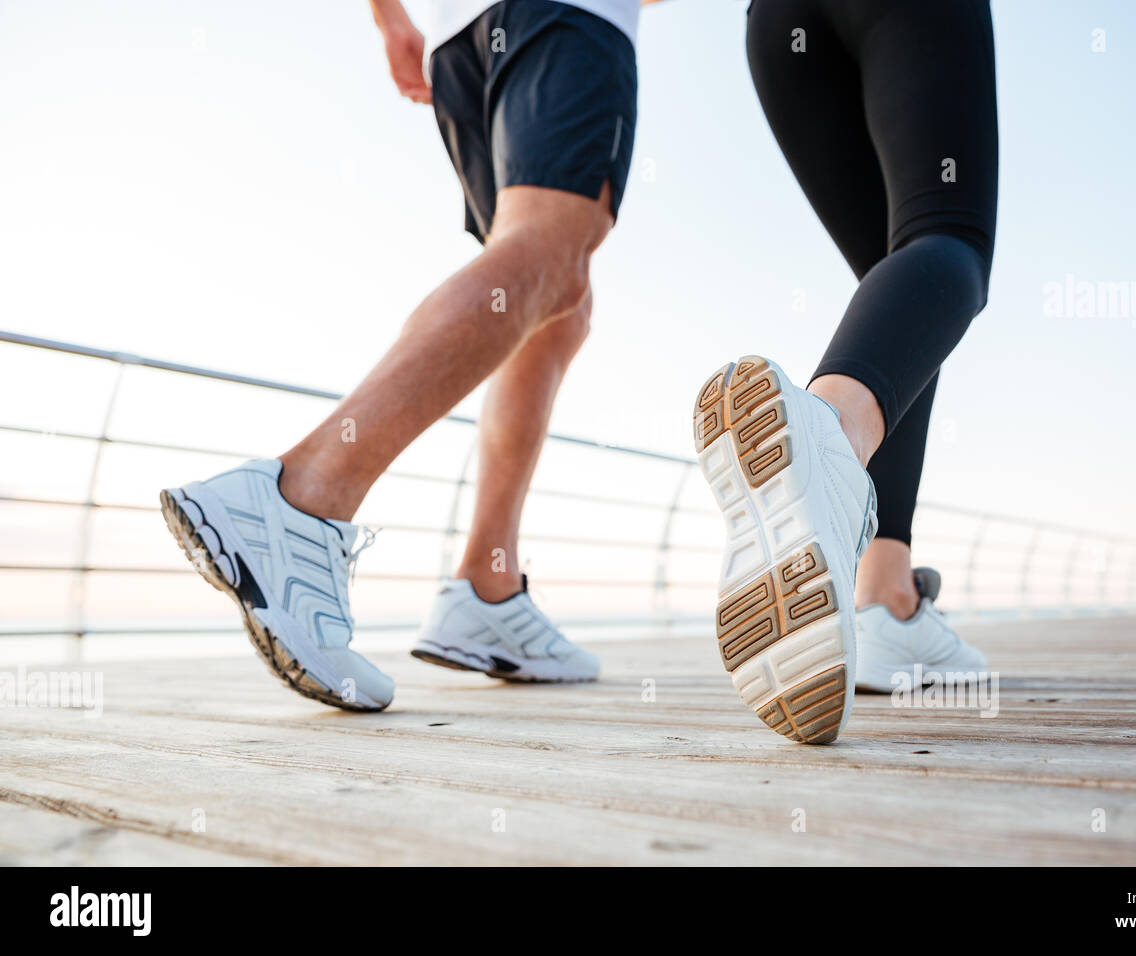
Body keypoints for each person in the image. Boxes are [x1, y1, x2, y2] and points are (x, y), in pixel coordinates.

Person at [160, 0, 644, 711]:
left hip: (460, 40)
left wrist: (388, 17)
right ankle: (304, 498)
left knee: (548, 304)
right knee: (548, 257)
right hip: (567, 16)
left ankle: (487, 585)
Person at [694, 0, 994, 743]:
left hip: (778, 25)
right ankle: (826, 436)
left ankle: (888, 598)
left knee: (900, 300)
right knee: (946, 236)